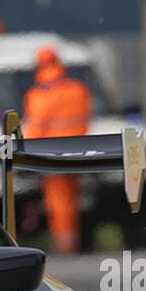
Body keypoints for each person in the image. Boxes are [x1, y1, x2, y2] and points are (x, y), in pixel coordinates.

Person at [22, 46, 92, 254]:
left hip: (51, 157)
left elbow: (35, 130)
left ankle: (65, 244)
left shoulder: (38, 96)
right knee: (73, 200)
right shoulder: (77, 90)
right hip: (77, 153)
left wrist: (29, 157)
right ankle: (73, 240)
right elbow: (85, 121)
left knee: (58, 203)